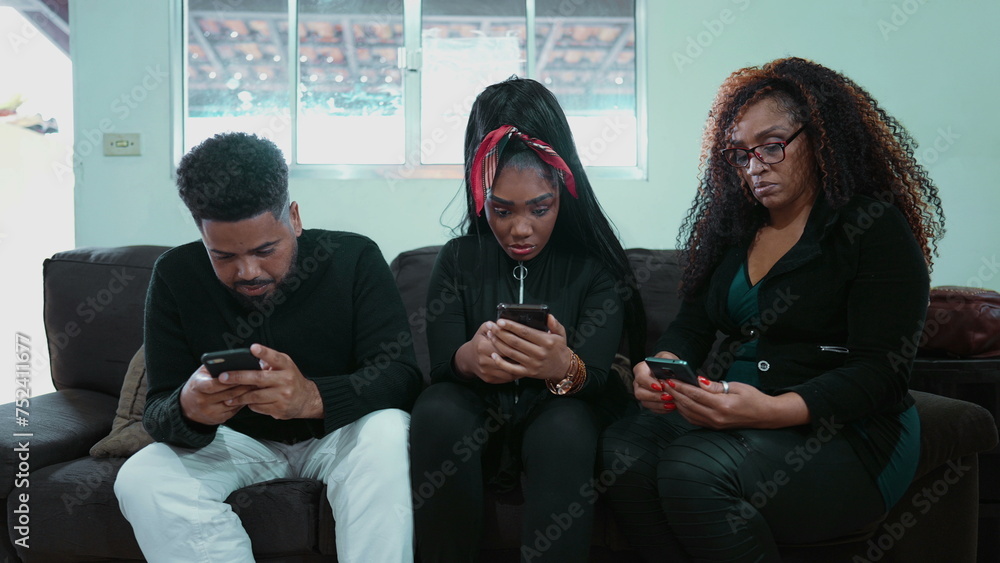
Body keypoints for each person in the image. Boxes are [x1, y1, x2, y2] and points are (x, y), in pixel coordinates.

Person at [600, 57, 945, 562]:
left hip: (851, 434)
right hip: (746, 415)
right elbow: (692, 326)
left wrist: (772, 410)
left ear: (821, 136)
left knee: (690, 468)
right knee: (623, 453)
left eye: (772, 145)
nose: (756, 165)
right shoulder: (735, 230)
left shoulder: (872, 229)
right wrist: (660, 368)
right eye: (741, 154)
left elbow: (880, 373)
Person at [113, 132, 422, 563]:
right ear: (201, 235)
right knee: (141, 477)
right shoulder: (174, 276)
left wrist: (311, 398)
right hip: (235, 442)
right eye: (223, 256)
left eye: (265, 250)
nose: (248, 271)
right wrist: (188, 409)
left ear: (293, 217)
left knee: (388, 431)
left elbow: (400, 377)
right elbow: (158, 408)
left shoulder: (353, 257)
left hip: (338, 437)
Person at [408, 77, 646, 562]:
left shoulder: (593, 268)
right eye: (501, 210)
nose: (521, 229)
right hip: (475, 412)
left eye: (541, 208)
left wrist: (562, 367)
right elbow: (440, 366)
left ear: (564, 190)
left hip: (556, 412)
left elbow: (597, 377)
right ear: (480, 196)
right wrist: (470, 360)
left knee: (567, 427)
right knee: (437, 408)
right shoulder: (457, 259)